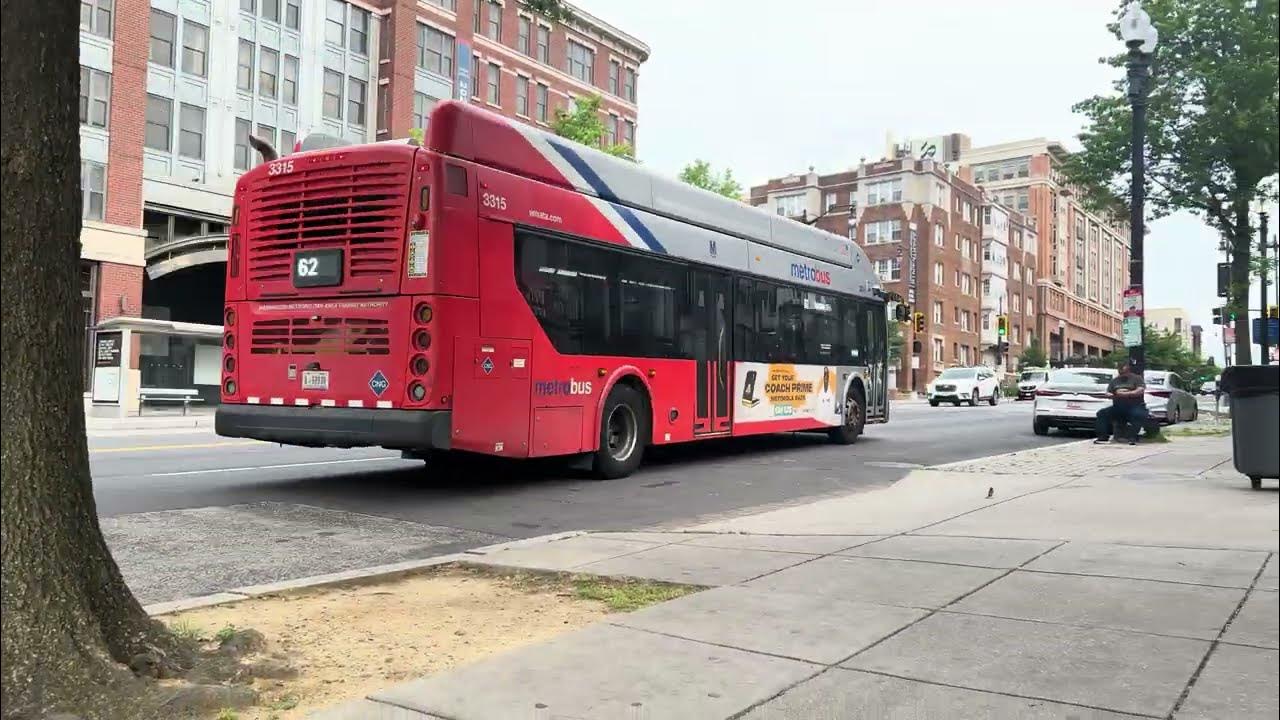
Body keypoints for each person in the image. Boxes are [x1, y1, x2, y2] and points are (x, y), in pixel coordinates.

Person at [1095, 360, 1148, 445]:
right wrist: (1112, 394)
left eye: (1124, 372)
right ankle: (1103, 437)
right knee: (1102, 413)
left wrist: (1126, 394)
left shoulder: (1137, 378)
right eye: (1120, 372)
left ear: (1128, 370)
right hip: (1119, 406)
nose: (1122, 374)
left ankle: (1133, 437)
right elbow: (1108, 392)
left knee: (1138, 414)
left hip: (1135, 405)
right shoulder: (1115, 380)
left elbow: (1140, 390)